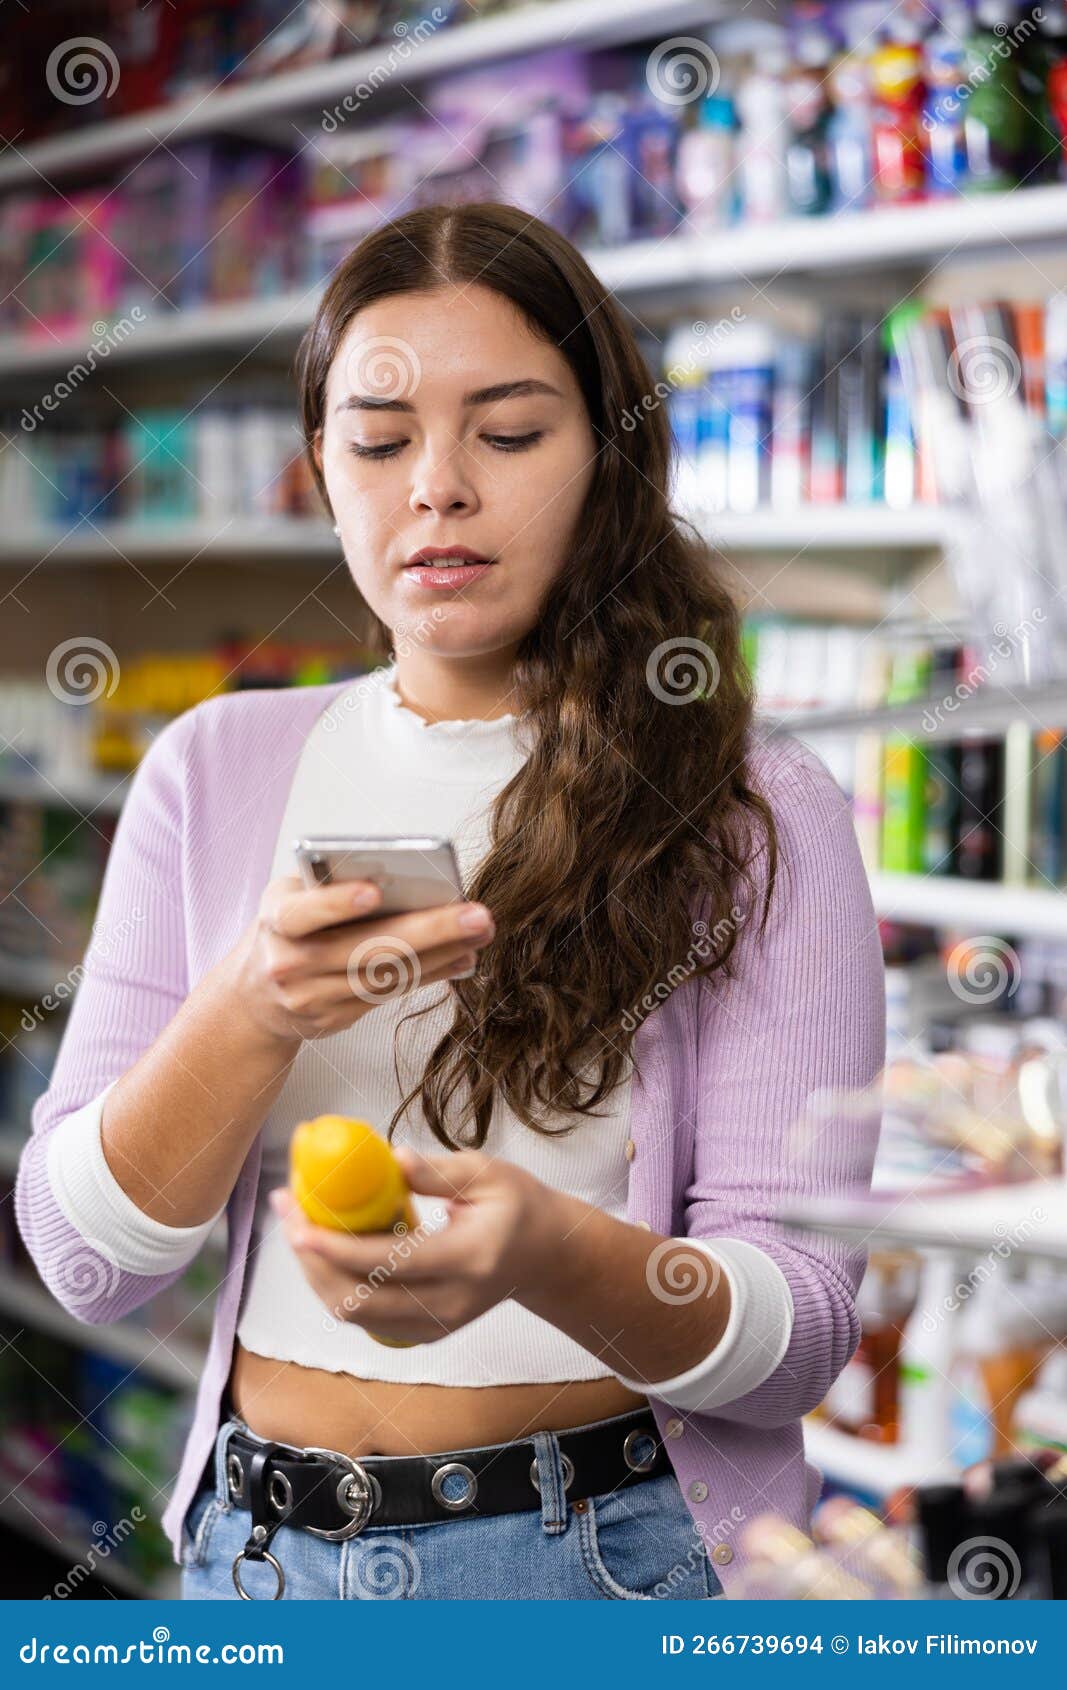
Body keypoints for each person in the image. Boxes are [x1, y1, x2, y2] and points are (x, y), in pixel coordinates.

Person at [16, 201, 884, 1601]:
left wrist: (550, 1251)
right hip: (258, 1554)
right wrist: (248, 1010)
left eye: (513, 431)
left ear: (609, 454)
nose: (438, 486)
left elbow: (804, 1332)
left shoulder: (753, 804)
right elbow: (83, 1261)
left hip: (605, 1561)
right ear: (322, 470)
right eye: (379, 439)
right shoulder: (218, 768)